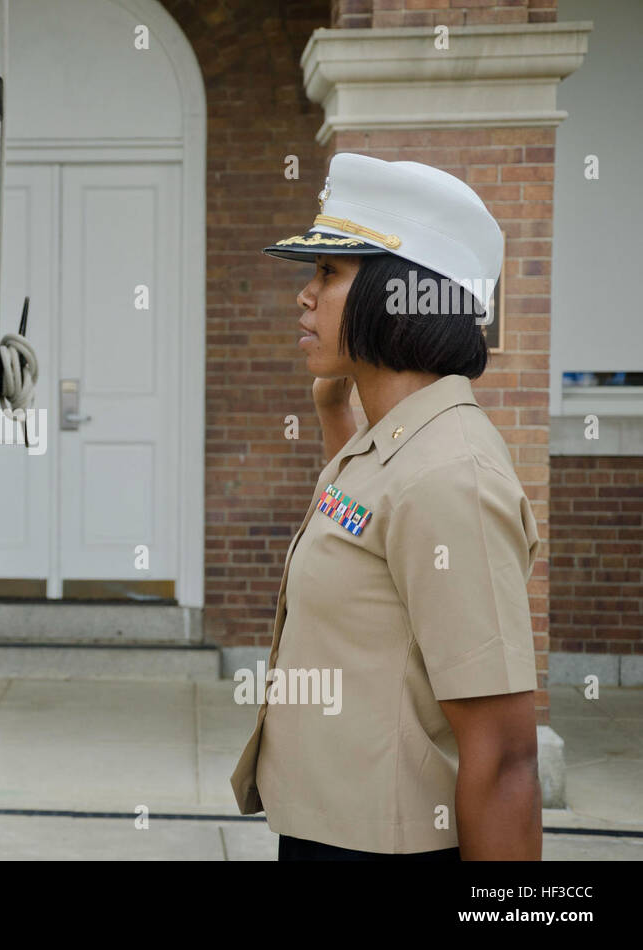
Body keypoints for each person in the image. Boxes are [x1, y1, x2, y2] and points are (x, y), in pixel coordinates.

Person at [230, 152, 542, 860]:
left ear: (401, 295)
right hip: (325, 833)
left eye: (328, 274)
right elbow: (364, 532)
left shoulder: (449, 476)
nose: (303, 297)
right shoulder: (392, 447)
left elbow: (504, 759)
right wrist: (336, 411)